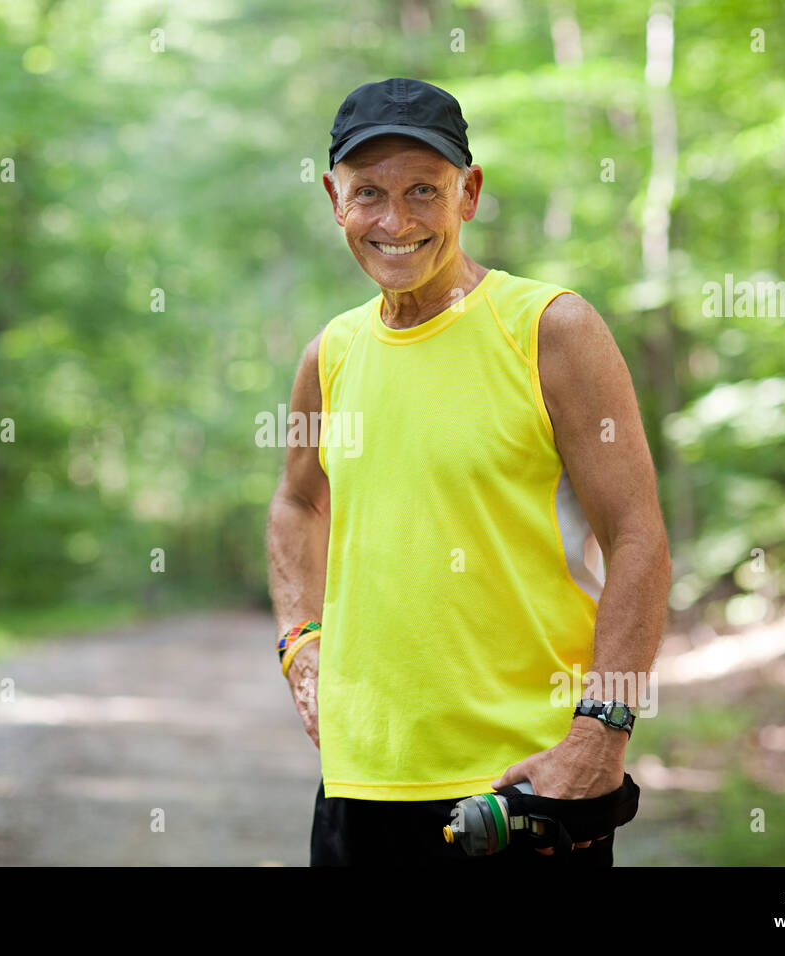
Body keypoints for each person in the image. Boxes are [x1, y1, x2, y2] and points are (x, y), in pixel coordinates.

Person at [265, 77, 672, 866]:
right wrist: (298, 639)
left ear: (469, 192)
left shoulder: (551, 330)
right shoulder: (332, 353)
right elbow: (297, 505)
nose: (395, 220)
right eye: (369, 194)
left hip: (522, 791)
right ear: (333, 199)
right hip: (360, 786)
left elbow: (638, 537)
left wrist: (602, 732)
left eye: (424, 190)